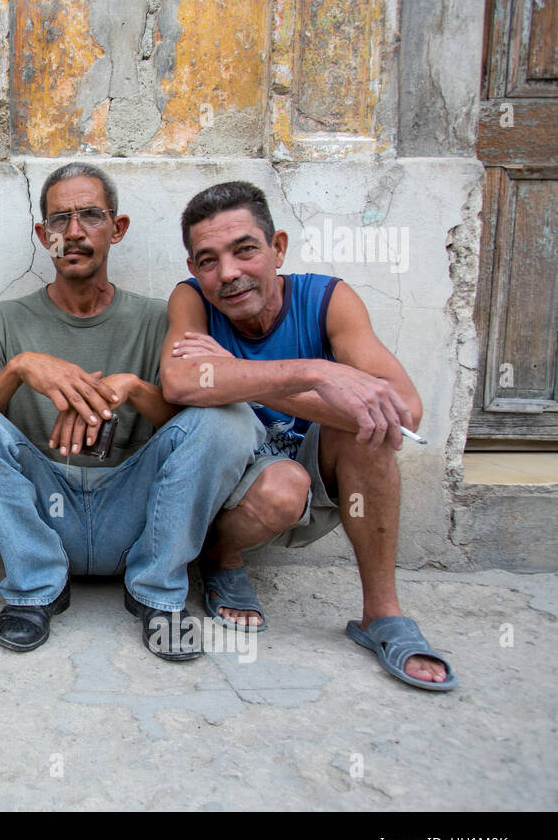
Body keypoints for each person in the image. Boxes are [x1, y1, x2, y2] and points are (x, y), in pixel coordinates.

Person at [0, 162, 262, 657]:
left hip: (135, 508)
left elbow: (198, 432)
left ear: (117, 228)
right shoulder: (8, 320)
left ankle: (158, 593)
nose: (75, 232)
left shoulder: (157, 317)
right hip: (44, 511)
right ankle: (36, 586)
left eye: (91, 216)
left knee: (229, 418)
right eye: (60, 221)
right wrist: (20, 367)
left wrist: (131, 389)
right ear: (44, 235)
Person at [160, 180, 456, 690]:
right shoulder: (191, 301)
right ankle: (220, 559)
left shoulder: (327, 299)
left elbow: (404, 413)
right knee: (282, 486)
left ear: (277, 248)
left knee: (374, 430)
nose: (228, 274)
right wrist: (316, 374)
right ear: (194, 270)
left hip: (316, 478)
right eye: (208, 260)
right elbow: (182, 380)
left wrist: (244, 374)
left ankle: (381, 614)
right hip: (240, 488)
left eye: (245, 250)